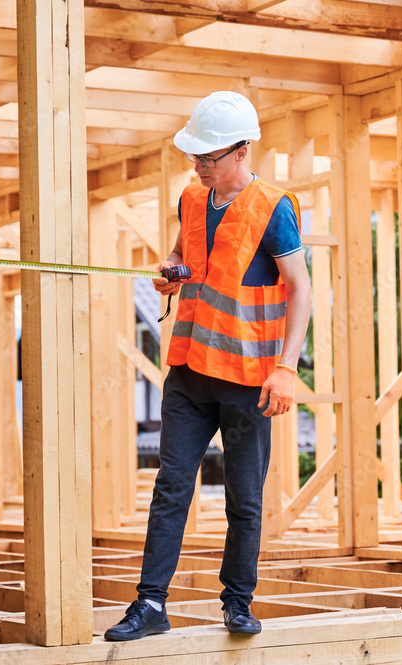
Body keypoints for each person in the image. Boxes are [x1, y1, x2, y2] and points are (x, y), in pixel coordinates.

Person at [104, 91, 312, 641]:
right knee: (172, 486)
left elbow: (302, 290)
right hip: (190, 371)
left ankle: (238, 603)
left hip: (248, 380)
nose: (198, 165)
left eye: (208, 156)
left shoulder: (274, 208)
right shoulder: (192, 199)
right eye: (194, 156)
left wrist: (287, 368)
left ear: (242, 152)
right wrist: (170, 271)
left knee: (245, 498)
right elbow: (182, 256)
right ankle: (150, 605)